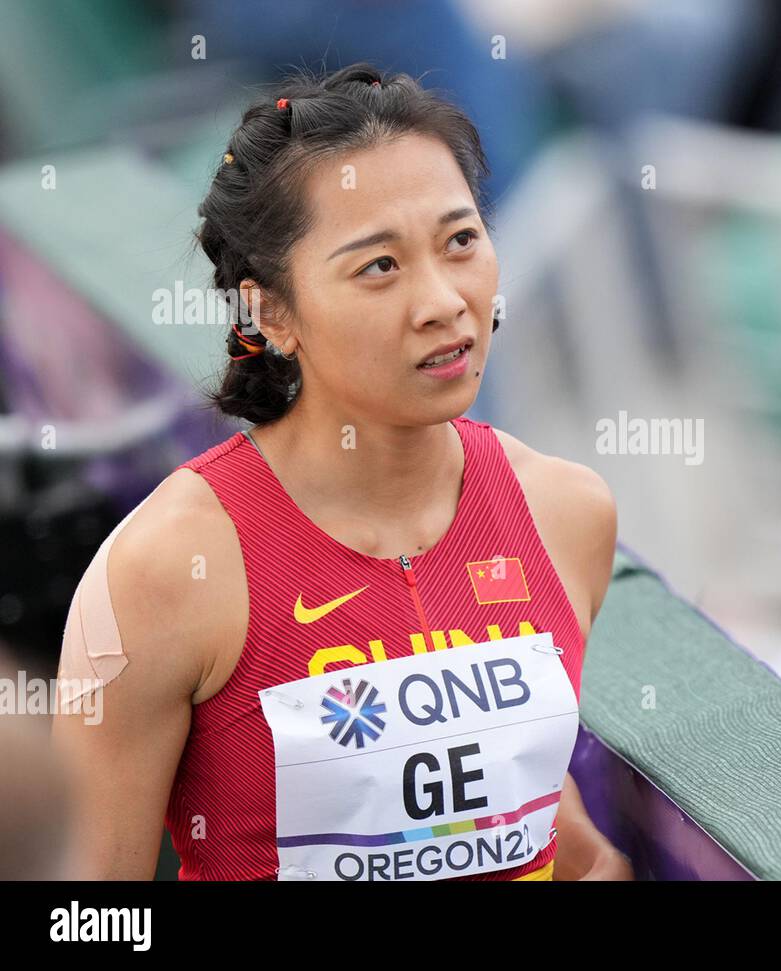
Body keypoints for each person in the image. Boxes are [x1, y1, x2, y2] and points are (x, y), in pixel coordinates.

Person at [51, 63, 630, 882]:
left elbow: (536, 809)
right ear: (271, 312)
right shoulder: (168, 568)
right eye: (379, 267)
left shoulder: (566, 511)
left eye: (461, 241)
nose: (442, 301)